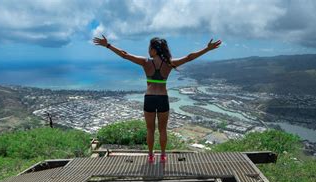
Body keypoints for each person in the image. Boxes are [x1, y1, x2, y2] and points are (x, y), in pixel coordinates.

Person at [93, 35, 221, 163]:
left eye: (149, 48)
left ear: (154, 50)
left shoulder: (146, 62)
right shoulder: (169, 63)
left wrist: (108, 45)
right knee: (163, 129)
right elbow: (189, 57)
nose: (148, 50)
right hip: (162, 98)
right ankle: (163, 155)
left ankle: (150, 156)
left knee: (150, 129)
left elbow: (124, 55)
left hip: (149, 98)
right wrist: (207, 49)